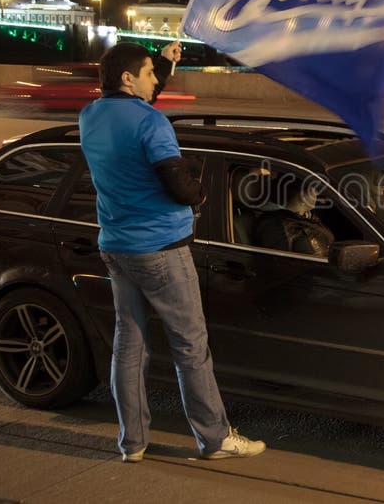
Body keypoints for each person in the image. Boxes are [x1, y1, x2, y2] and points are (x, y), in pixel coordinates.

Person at [79, 42, 265, 463]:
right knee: (190, 346)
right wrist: (200, 196)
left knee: (129, 346)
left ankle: (133, 442)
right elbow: (178, 185)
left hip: (116, 246)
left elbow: (134, 106)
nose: (153, 80)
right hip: (161, 248)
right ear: (128, 78)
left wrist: (164, 62)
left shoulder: (91, 115)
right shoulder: (153, 123)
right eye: (148, 72)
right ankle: (215, 439)